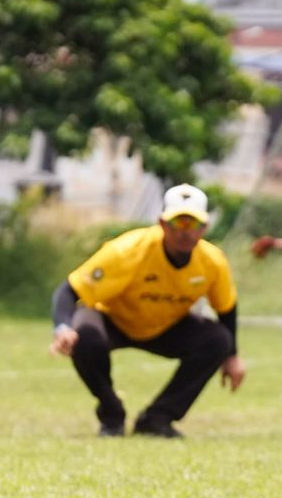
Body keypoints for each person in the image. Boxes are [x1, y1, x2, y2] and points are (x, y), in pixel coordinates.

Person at [46, 184, 247, 438]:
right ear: (162, 223)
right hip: (112, 317)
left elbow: (226, 309)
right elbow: (69, 291)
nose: (185, 233)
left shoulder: (212, 262)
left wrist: (233, 356)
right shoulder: (127, 250)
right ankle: (111, 414)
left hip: (165, 325)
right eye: (178, 224)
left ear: (205, 228)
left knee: (218, 340)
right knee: (85, 334)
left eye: (193, 225)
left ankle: (157, 419)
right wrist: (62, 328)